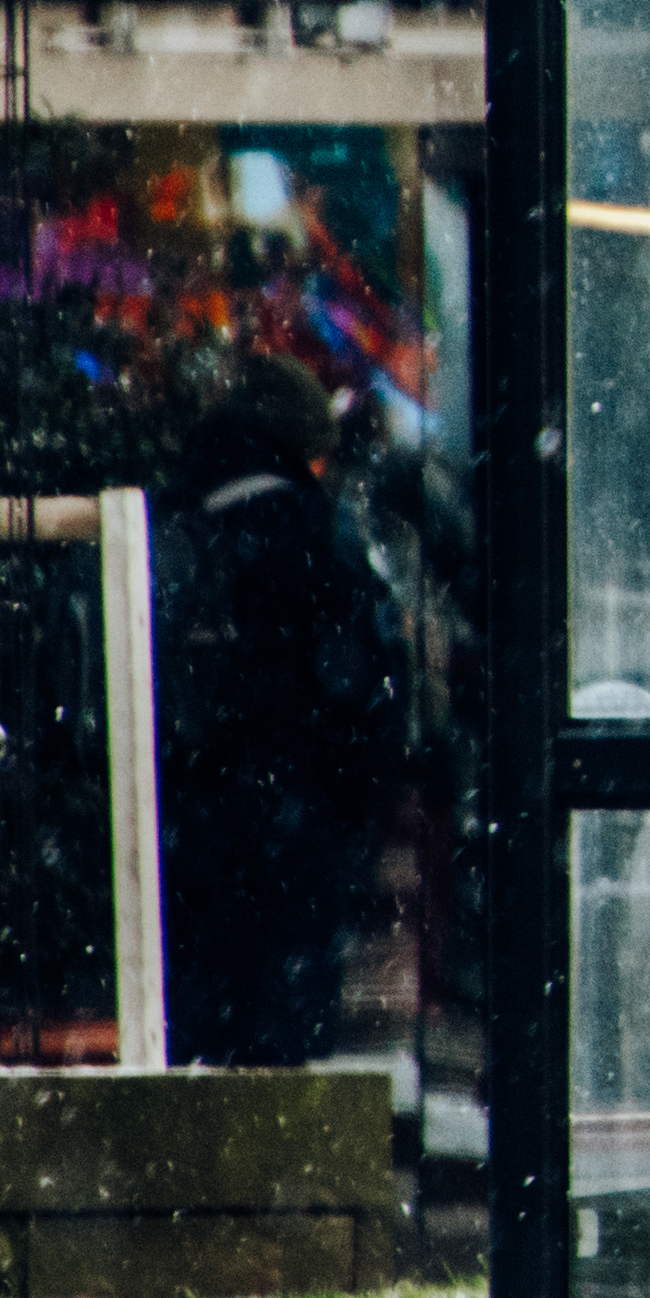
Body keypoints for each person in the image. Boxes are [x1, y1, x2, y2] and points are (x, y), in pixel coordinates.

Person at [150, 355, 419, 1067]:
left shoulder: (172, 533)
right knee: (282, 1049)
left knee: (201, 1044)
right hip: (297, 839)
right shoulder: (324, 542)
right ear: (306, 452)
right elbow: (372, 692)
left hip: (190, 835)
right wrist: (348, 807)